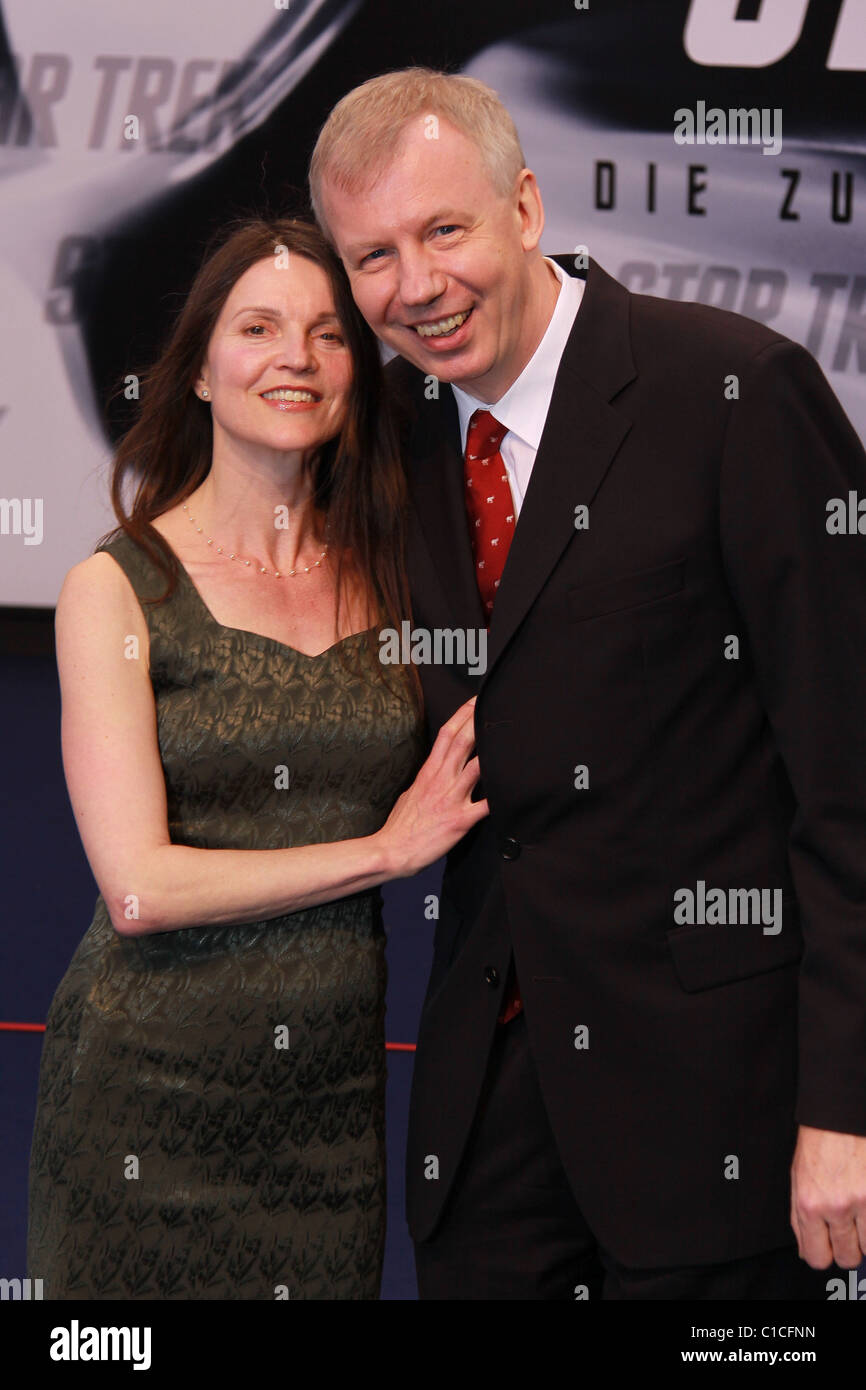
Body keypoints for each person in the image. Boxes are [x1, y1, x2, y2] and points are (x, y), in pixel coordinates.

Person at [309, 68, 866, 1300]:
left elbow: (850, 780)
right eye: (372, 257)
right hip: (490, 1138)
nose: (414, 287)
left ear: (523, 205)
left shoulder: (734, 391)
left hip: (721, 1124)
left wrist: (846, 1106)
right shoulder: (389, 447)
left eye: (442, 230)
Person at [26, 215, 487, 1301]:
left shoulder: (397, 572)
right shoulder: (119, 587)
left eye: (329, 335)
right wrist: (382, 852)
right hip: (145, 1099)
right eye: (258, 327)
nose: (296, 357)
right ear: (197, 371)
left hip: (327, 1110)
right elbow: (138, 888)